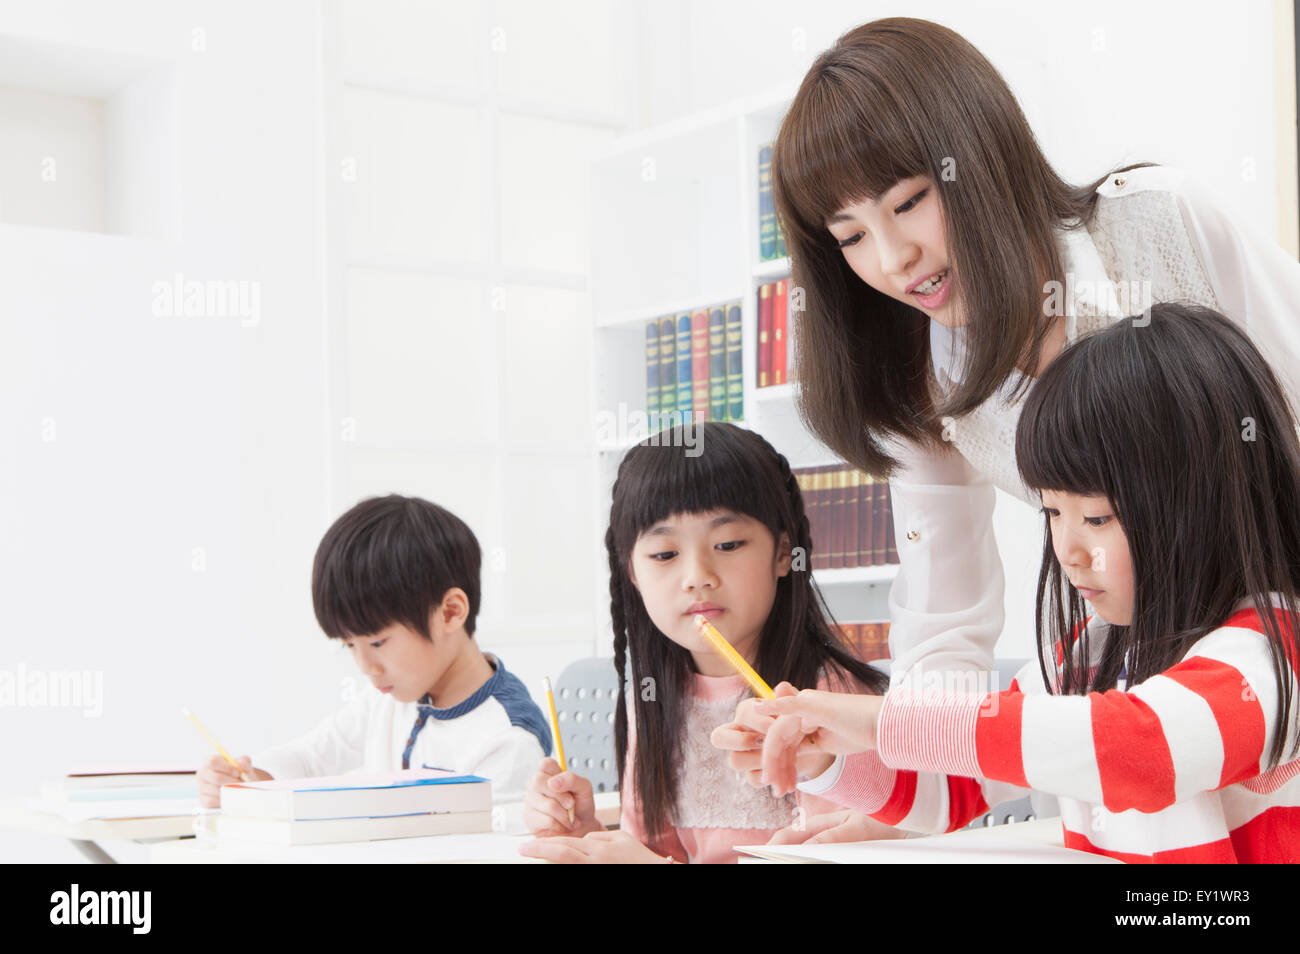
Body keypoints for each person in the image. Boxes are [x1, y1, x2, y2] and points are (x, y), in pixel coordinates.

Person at [772, 16, 1300, 695]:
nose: (893, 258)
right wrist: (902, 775)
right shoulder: (920, 381)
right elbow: (944, 623)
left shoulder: (1158, 224)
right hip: (1153, 692)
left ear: (980, 153)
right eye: (850, 238)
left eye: (909, 203)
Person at [719, 305, 1300, 862]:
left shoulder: (1270, 655)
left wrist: (875, 720)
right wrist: (825, 752)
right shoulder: (1091, 651)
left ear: (1203, 504)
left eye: (1096, 517)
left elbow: (1141, 751)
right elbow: (951, 788)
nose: (1067, 551)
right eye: (1051, 513)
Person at [518, 422, 898, 862]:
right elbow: (656, 854)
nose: (698, 576)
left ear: (781, 554)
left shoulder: (828, 702)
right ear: (633, 574)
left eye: (728, 543)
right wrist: (587, 837)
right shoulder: (656, 700)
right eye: (664, 555)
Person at [196, 494, 549, 807]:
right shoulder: (389, 697)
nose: (365, 666)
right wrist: (251, 776)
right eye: (350, 644)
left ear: (450, 612)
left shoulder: (507, 740)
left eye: (377, 643)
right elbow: (311, 756)